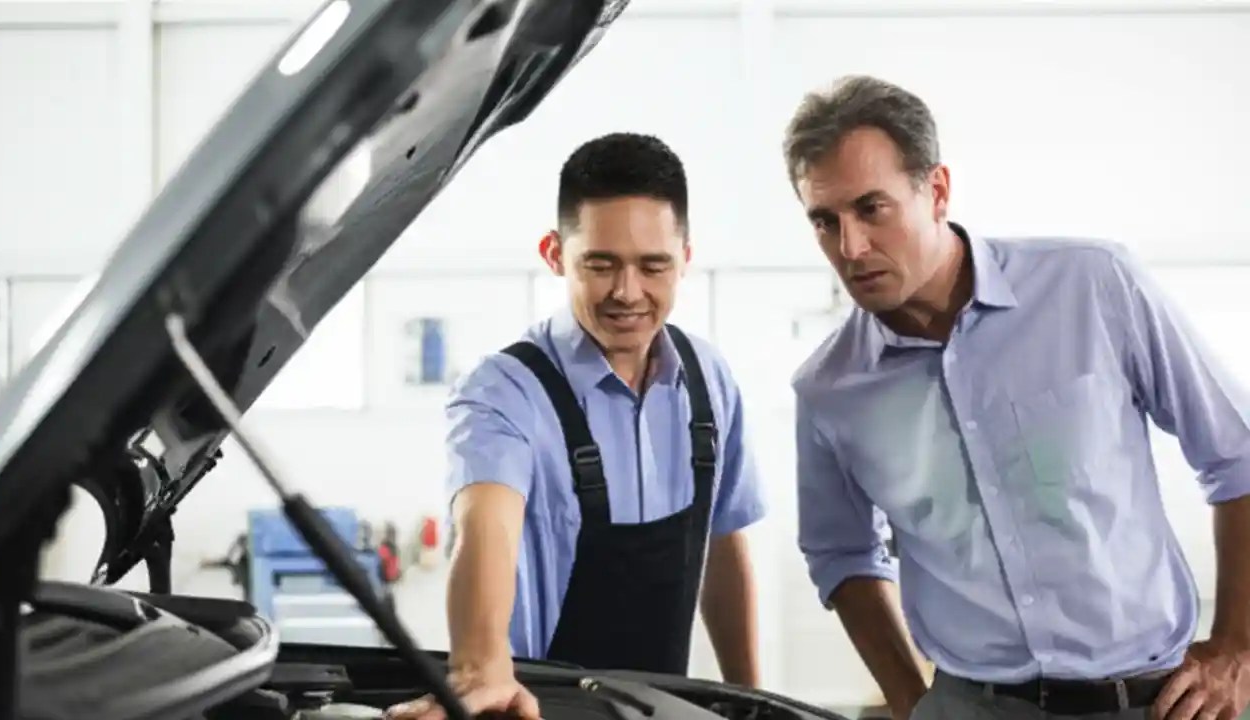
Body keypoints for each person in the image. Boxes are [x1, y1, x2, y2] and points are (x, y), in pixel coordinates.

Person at [783, 74, 1250, 720]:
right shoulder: (827, 390)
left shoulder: (1093, 286)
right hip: (971, 705)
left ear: (937, 190)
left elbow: (1237, 456)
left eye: (871, 209)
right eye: (824, 221)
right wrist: (911, 703)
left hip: (1152, 701)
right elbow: (839, 553)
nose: (851, 248)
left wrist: (1236, 647)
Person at [386, 132, 766, 720]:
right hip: (529, 709)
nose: (627, 292)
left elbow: (723, 541)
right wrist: (481, 667)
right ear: (555, 254)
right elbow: (485, 524)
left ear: (685, 258)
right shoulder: (505, 391)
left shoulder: (708, 378)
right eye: (601, 264)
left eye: (653, 265)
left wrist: (751, 700)